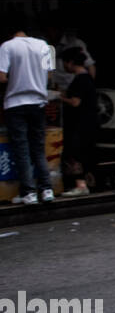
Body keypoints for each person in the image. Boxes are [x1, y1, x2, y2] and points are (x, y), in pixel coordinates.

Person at [0, 21, 56, 204]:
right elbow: (49, 75)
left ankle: (28, 192)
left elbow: (2, 76)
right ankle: (47, 189)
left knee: (22, 149)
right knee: (38, 148)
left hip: (15, 103)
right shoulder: (44, 46)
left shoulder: (7, 46)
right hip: (38, 103)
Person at [58, 48, 98, 197]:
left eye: (65, 62)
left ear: (70, 62)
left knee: (76, 152)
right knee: (85, 152)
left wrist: (59, 98)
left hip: (80, 123)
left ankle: (80, 185)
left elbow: (75, 102)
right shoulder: (87, 78)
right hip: (88, 123)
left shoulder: (80, 80)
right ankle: (87, 183)